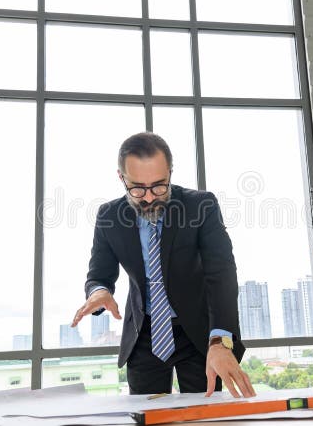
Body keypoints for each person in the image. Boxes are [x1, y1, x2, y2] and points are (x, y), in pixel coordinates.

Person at [71, 132, 255, 398]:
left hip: (198, 334)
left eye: (159, 186)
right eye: (137, 188)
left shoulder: (200, 205)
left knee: (205, 415)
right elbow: (99, 273)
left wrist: (220, 341)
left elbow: (221, 273)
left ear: (170, 172)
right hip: (145, 333)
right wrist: (98, 290)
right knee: (146, 415)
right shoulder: (109, 215)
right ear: (121, 177)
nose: (148, 198)